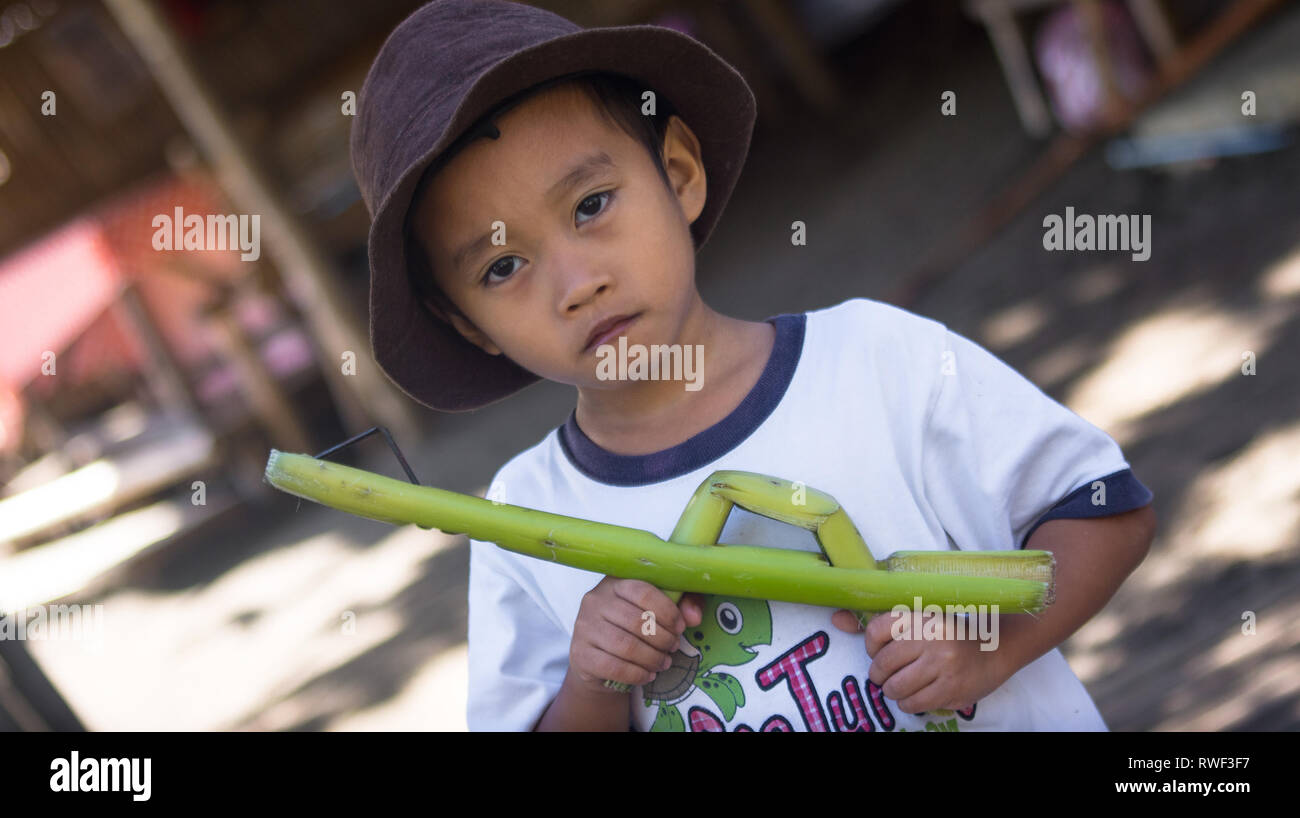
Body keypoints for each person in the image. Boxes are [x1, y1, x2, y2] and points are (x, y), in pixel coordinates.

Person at [349, 0, 1157, 732]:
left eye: (591, 206)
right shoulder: (525, 522)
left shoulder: (876, 362)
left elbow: (1104, 512)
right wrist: (593, 683)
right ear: (471, 326)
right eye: (502, 268)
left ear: (679, 177)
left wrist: (990, 646)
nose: (576, 282)